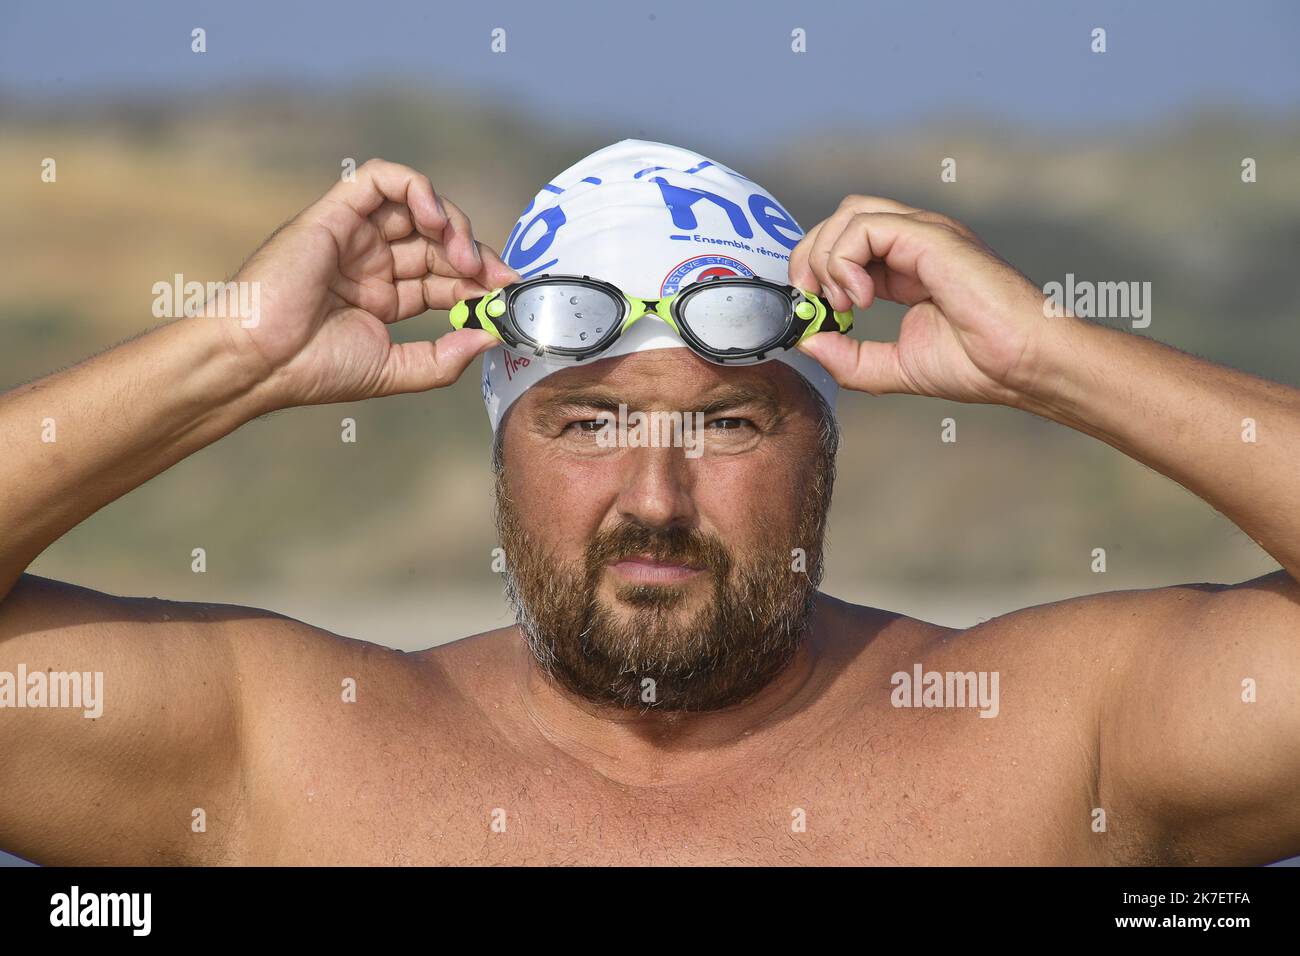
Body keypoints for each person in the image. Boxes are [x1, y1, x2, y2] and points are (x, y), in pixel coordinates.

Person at [1, 140, 1297, 866]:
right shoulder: (285, 758)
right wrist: (228, 357)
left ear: (820, 448)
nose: (655, 496)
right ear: (502, 455)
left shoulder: (1058, 745)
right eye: (588, 422)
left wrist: (1053, 359)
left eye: (727, 420)